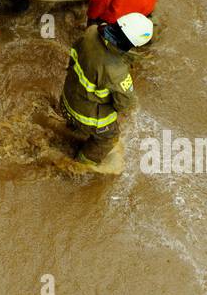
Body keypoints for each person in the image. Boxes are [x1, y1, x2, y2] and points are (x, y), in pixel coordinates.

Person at [59, 13, 152, 174]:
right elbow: (124, 104)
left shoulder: (91, 32)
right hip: (85, 116)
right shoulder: (116, 72)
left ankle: (73, 128)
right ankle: (81, 165)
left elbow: (73, 55)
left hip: (67, 98)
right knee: (109, 137)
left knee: (76, 123)